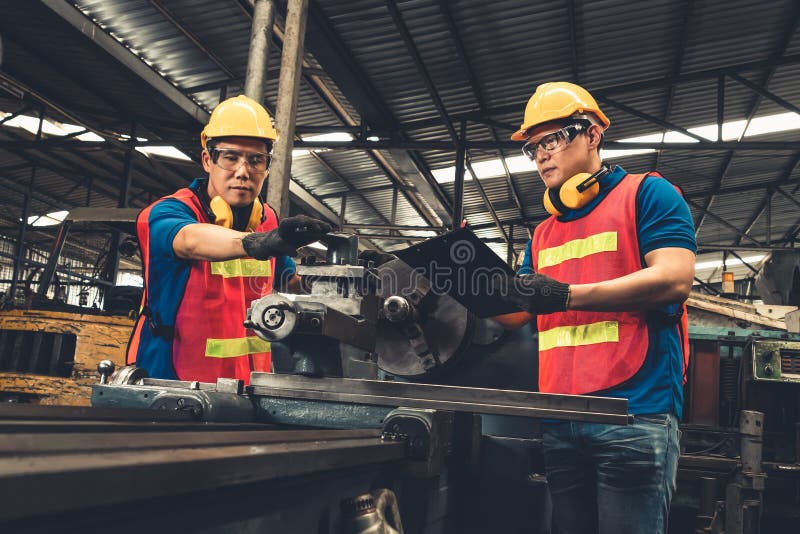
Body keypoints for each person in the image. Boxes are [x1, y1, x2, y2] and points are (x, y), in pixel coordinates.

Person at [494, 82, 696, 534]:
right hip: (561, 418)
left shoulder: (648, 194)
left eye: (553, 139)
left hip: (632, 412)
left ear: (592, 134)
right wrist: (454, 285)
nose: (542, 155)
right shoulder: (543, 233)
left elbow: (674, 278)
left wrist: (566, 296)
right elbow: (516, 313)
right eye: (533, 147)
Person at [126, 95, 332, 383]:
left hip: (249, 385)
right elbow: (189, 239)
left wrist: (340, 278)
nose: (243, 172)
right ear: (208, 159)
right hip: (172, 381)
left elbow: (289, 280)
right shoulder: (168, 213)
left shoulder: (267, 220)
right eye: (231, 157)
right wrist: (254, 243)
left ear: (267, 166)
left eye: (255, 160)